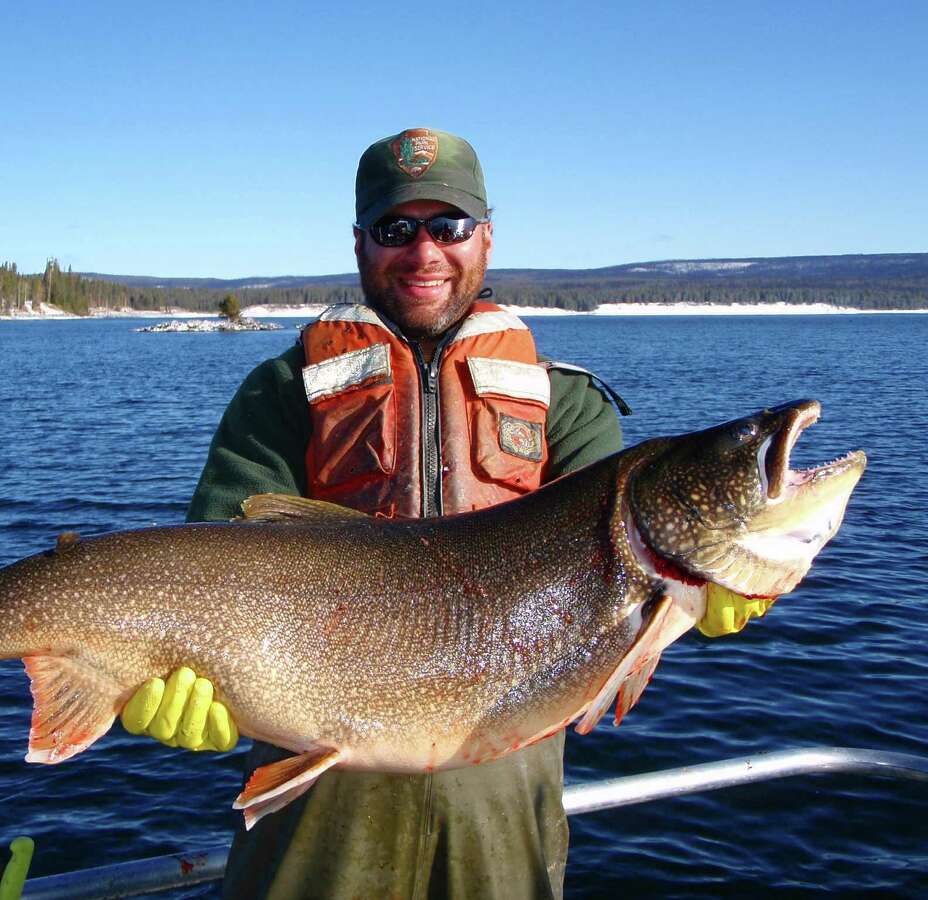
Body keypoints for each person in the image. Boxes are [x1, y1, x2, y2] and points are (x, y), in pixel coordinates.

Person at [121, 128, 771, 898]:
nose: (425, 251)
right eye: (396, 229)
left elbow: (626, 590)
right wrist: (164, 678)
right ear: (360, 243)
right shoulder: (280, 394)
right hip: (311, 818)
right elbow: (207, 567)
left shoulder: (568, 404)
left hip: (503, 812)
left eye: (449, 226)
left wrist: (700, 589)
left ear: (486, 238)